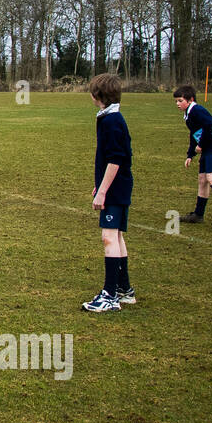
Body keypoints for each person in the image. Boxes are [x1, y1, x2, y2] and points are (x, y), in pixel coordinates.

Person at [83, 73, 135, 312]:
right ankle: (124, 289)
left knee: (109, 237)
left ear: (97, 96)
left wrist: (103, 191)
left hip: (115, 187)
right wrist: (99, 183)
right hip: (117, 184)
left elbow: (115, 160)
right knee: (117, 236)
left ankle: (110, 294)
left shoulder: (112, 121)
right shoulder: (109, 117)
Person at [174, 85, 212, 227]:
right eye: (176, 101)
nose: (177, 104)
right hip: (208, 146)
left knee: (211, 177)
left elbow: (209, 127)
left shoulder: (197, 110)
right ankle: (198, 214)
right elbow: (195, 134)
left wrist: (201, 144)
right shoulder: (188, 114)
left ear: (190, 100)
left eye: (180, 100)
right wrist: (190, 154)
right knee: (202, 179)